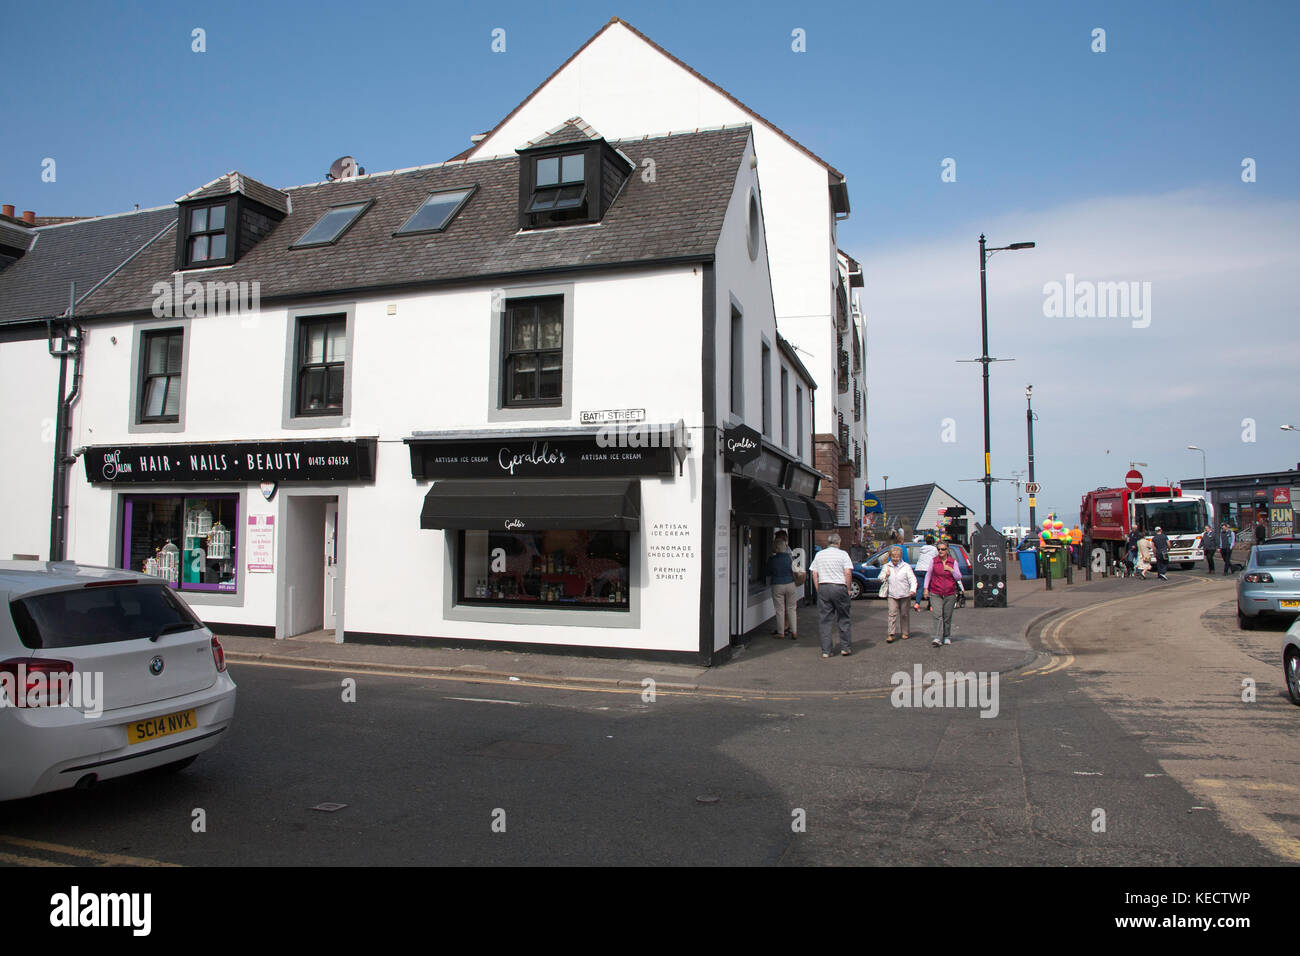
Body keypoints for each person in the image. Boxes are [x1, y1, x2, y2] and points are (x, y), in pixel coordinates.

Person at [810, 533, 855, 658]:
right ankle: (845, 648)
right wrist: (848, 588)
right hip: (839, 587)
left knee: (825, 620)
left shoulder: (819, 555)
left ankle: (826, 650)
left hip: (824, 586)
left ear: (828, 543)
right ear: (839, 543)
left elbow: (814, 574)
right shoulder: (843, 554)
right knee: (843, 618)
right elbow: (847, 572)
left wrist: (818, 588)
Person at [924, 541, 964, 646]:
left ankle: (947, 636)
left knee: (947, 616)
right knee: (937, 615)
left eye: (943, 549)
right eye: (939, 549)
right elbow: (928, 575)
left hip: (950, 593)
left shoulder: (953, 562)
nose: (941, 551)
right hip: (935, 592)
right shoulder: (934, 561)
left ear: (947, 550)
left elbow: (959, 577)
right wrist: (925, 588)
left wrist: (951, 570)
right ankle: (937, 637)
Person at [880, 545, 917, 644]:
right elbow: (880, 577)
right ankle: (891, 634)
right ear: (890, 556)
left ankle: (905, 632)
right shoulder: (887, 566)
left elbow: (912, 579)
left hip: (905, 594)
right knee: (892, 614)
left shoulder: (906, 567)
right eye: (893, 557)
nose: (895, 559)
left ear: (900, 557)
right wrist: (885, 575)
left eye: (897, 557)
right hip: (892, 594)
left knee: (904, 614)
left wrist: (913, 589)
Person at [767, 531, 798, 640]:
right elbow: (796, 570)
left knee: (780, 609)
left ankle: (781, 632)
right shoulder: (790, 558)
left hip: (777, 585)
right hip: (790, 584)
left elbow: (767, 572)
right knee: (792, 608)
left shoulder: (772, 559)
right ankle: (794, 631)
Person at [912, 535, 938, 612]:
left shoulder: (922, 549)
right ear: (933, 542)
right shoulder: (934, 549)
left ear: (926, 542)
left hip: (919, 569)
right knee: (931, 588)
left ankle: (917, 604)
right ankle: (931, 606)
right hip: (928, 570)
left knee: (920, 588)